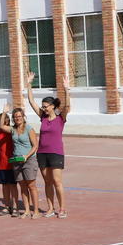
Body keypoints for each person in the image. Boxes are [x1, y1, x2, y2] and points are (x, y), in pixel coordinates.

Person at [27, 72, 70, 218]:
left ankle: (62, 208)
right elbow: (31, 101)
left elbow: (68, 105)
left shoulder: (60, 118)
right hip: (42, 153)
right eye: (43, 106)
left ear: (52, 106)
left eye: (46, 106)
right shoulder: (43, 117)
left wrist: (66, 89)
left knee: (57, 181)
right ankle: (51, 208)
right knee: (47, 181)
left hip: (56, 152)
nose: (44, 108)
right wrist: (29, 84)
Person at [0, 107, 41, 219]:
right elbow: (1, 126)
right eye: (15, 116)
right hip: (17, 161)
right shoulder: (13, 129)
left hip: (29, 160)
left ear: (23, 117)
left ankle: (36, 211)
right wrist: (4, 112)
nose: (18, 118)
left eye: (19, 116)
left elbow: (35, 145)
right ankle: (26, 210)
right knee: (22, 186)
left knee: (31, 185)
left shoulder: (29, 128)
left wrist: (26, 156)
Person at [0, 108, 18, 216]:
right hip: (2, 163)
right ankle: (7, 206)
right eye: (2, 120)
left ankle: (15, 207)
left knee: (13, 185)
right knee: (5, 186)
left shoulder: (12, 131)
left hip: (12, 162)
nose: (4, 121)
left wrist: (5, 112)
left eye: (6, 119)